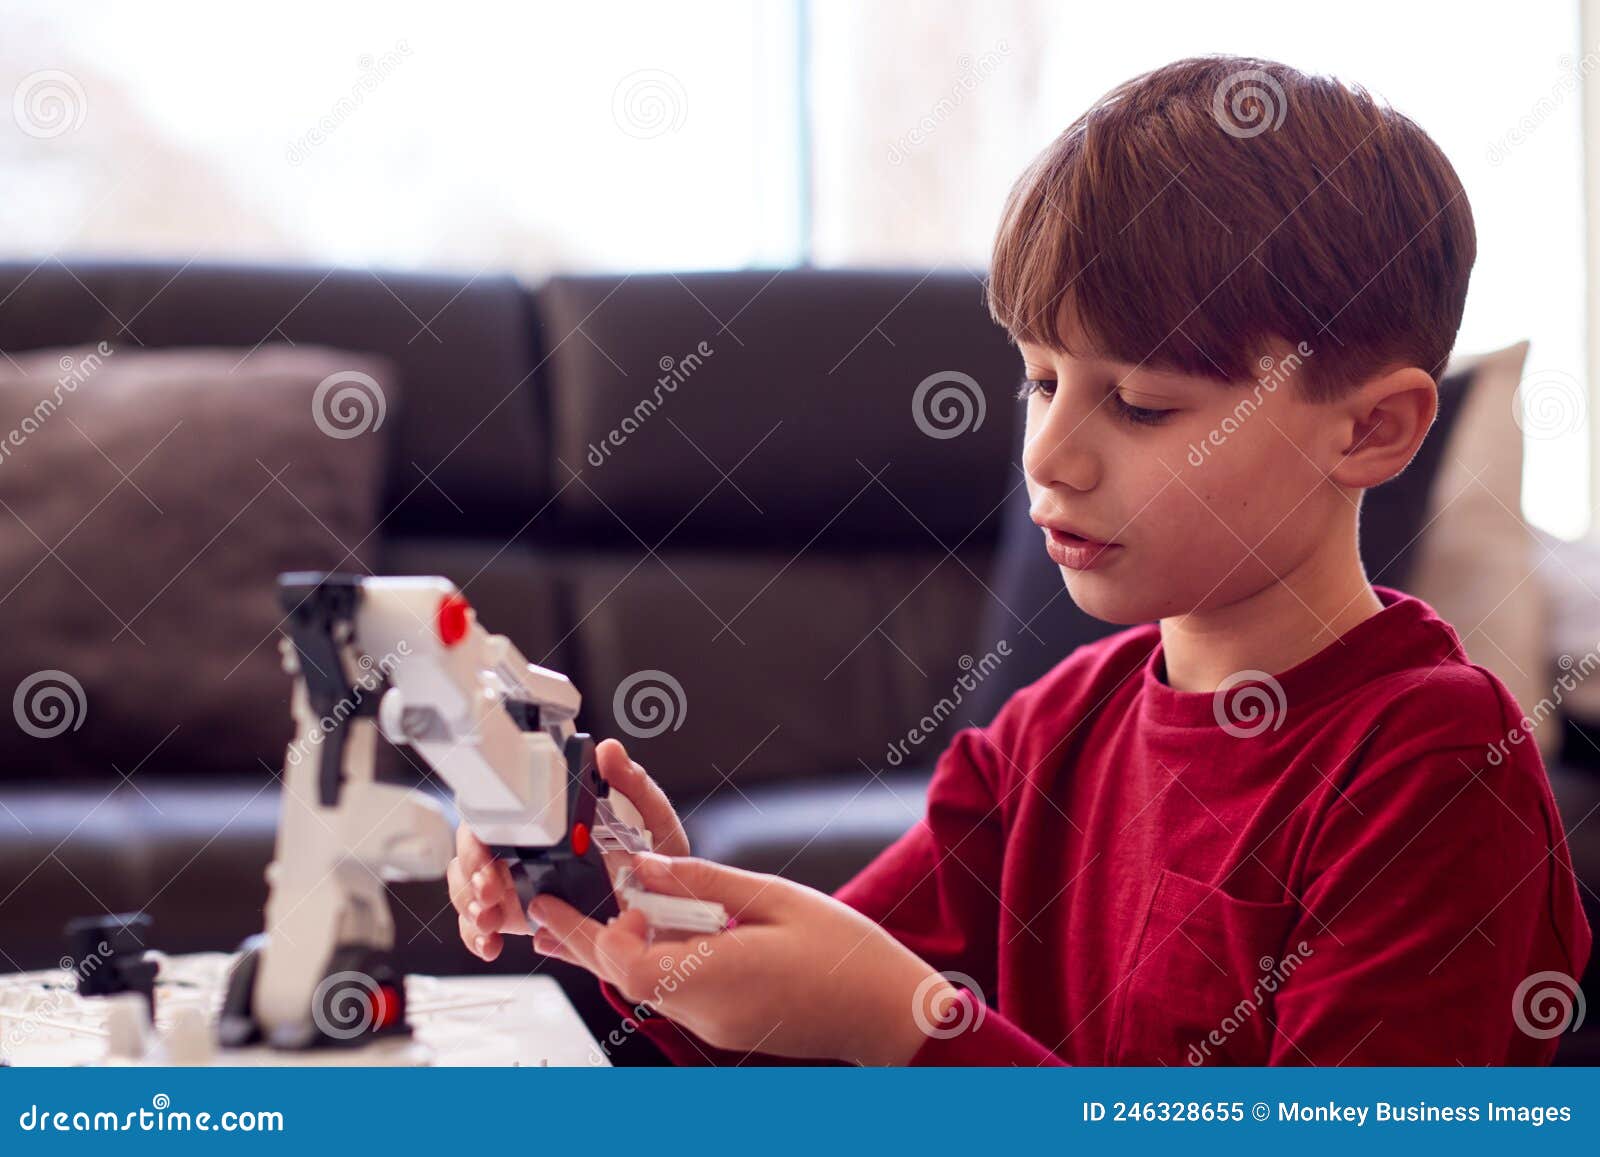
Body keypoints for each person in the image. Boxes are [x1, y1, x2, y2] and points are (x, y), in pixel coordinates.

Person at [447, 55, 1591, 1065]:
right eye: (1039, 380)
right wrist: (648, 910)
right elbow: (796, 1055)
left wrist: (910, 1026)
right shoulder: (1048, 736)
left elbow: (890, 1024)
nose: (1048, 453)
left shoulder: (1436, 770)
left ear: (1372, 429)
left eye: (1140, 404)